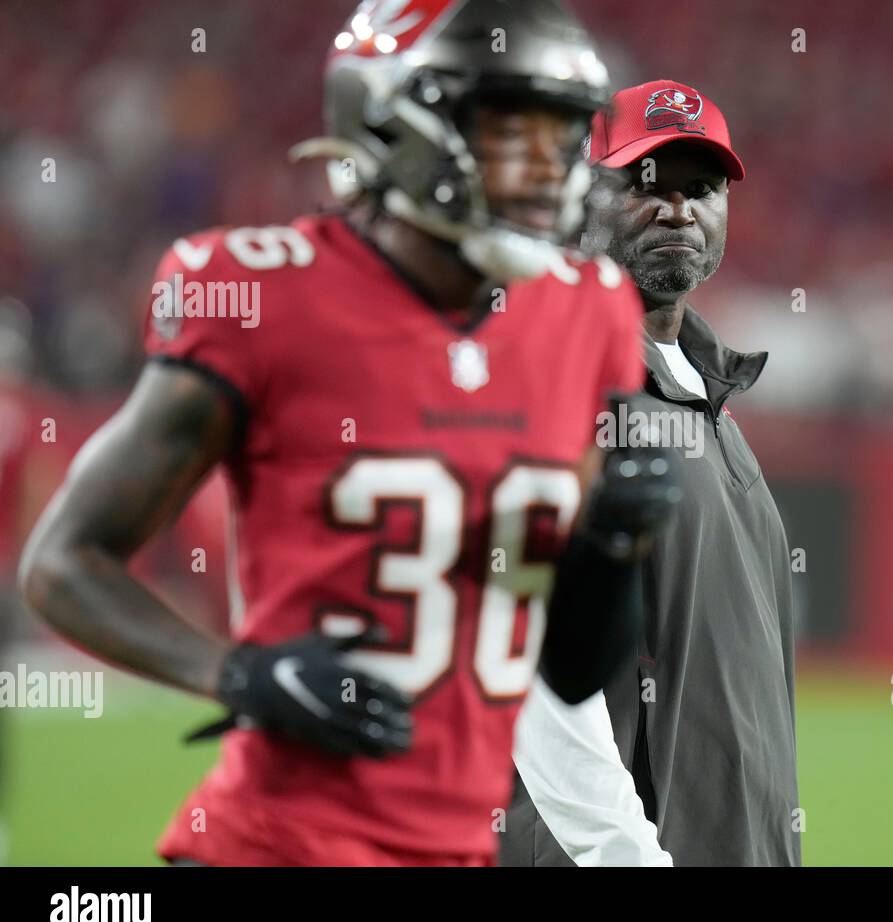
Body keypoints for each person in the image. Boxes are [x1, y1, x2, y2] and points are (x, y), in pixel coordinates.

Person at [19, 0, 680, 867]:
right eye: (511, 128)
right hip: (272, 848)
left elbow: (570, 668)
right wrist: (238, 675)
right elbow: (63, 562)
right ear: (393, 119)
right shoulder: (261, 295)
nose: (548, 169)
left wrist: (614, 545)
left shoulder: (585, 311)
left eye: (562, 136)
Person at [503, 80, 801, 866]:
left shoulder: (707, 392)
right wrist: (625, 856)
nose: (678, 210)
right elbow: (526, 663)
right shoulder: (557, 381)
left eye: (700, 189)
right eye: (643, 185)